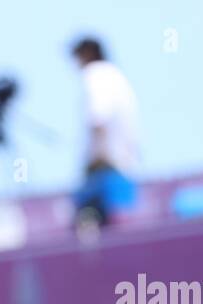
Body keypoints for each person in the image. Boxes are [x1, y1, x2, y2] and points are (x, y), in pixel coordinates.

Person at [70, 36, 139, 228]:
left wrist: (96, 159)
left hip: (105, 168)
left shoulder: (95, 75)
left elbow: (98, 119)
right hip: (123, 165)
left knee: (90, 231)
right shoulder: (116, 76)